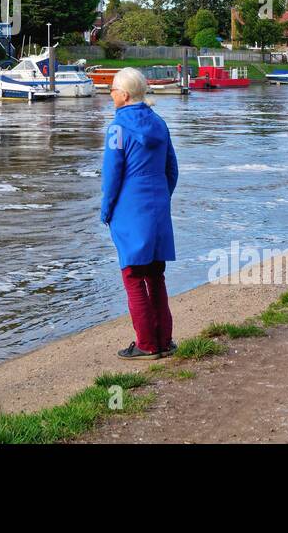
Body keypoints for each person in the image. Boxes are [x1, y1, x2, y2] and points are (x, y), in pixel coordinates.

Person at [100, 67, 179, 359]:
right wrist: (161, 198)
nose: (110, 94)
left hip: (130, 210)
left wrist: (106, 211)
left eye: (112, 89)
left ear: (124, 94)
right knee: (156, 275)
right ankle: (164, 341)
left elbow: (111, 176)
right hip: (158, 209)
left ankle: (146, 344)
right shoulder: (160, 124)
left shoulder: (117, 129)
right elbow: (172, 170)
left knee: (133, 276)